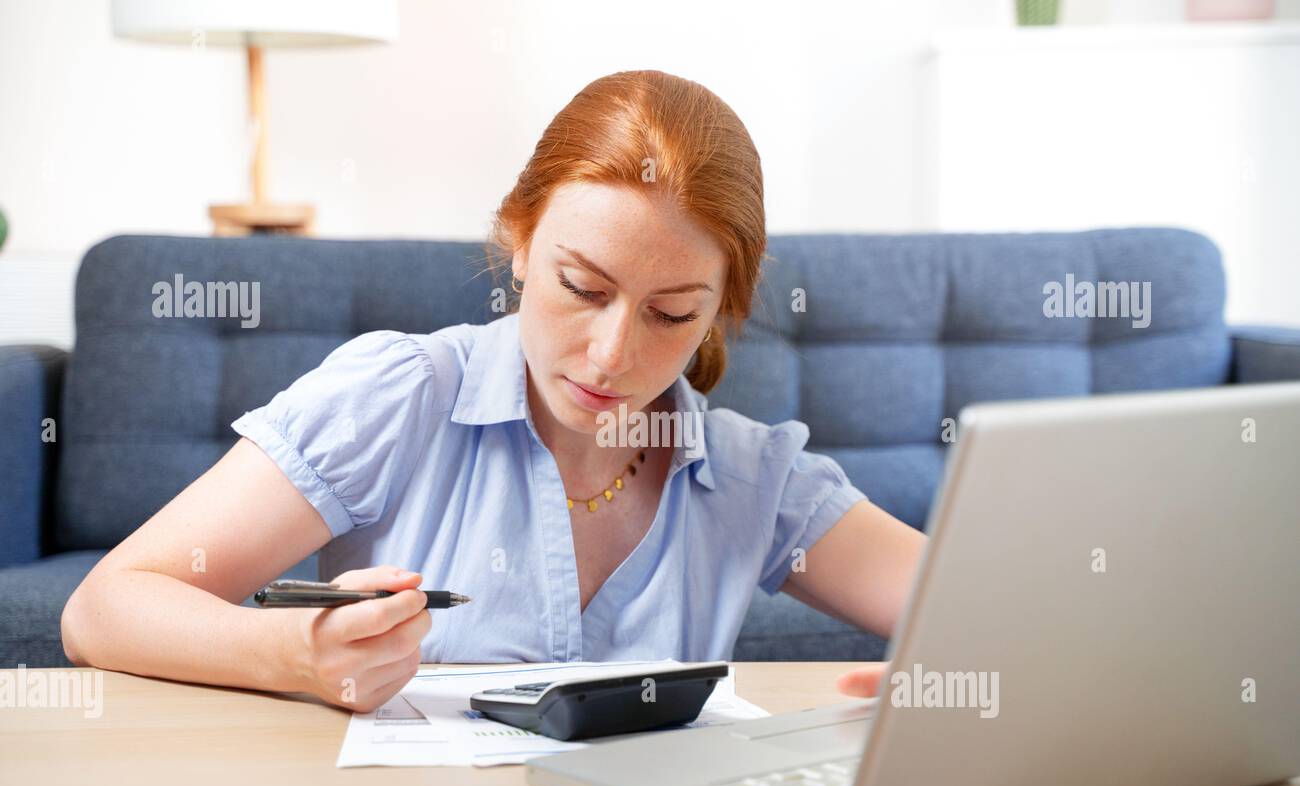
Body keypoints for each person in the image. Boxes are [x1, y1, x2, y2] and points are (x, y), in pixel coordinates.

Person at [62, 70, 921, 712]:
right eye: (582, 288)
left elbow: (997, 605)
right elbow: (105, 608)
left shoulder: (750, 477)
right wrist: (290, 653)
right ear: (519, 240)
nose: (611, 353)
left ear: (720, 310)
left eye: (670, 313)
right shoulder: (404, 396)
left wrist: (979, 671)